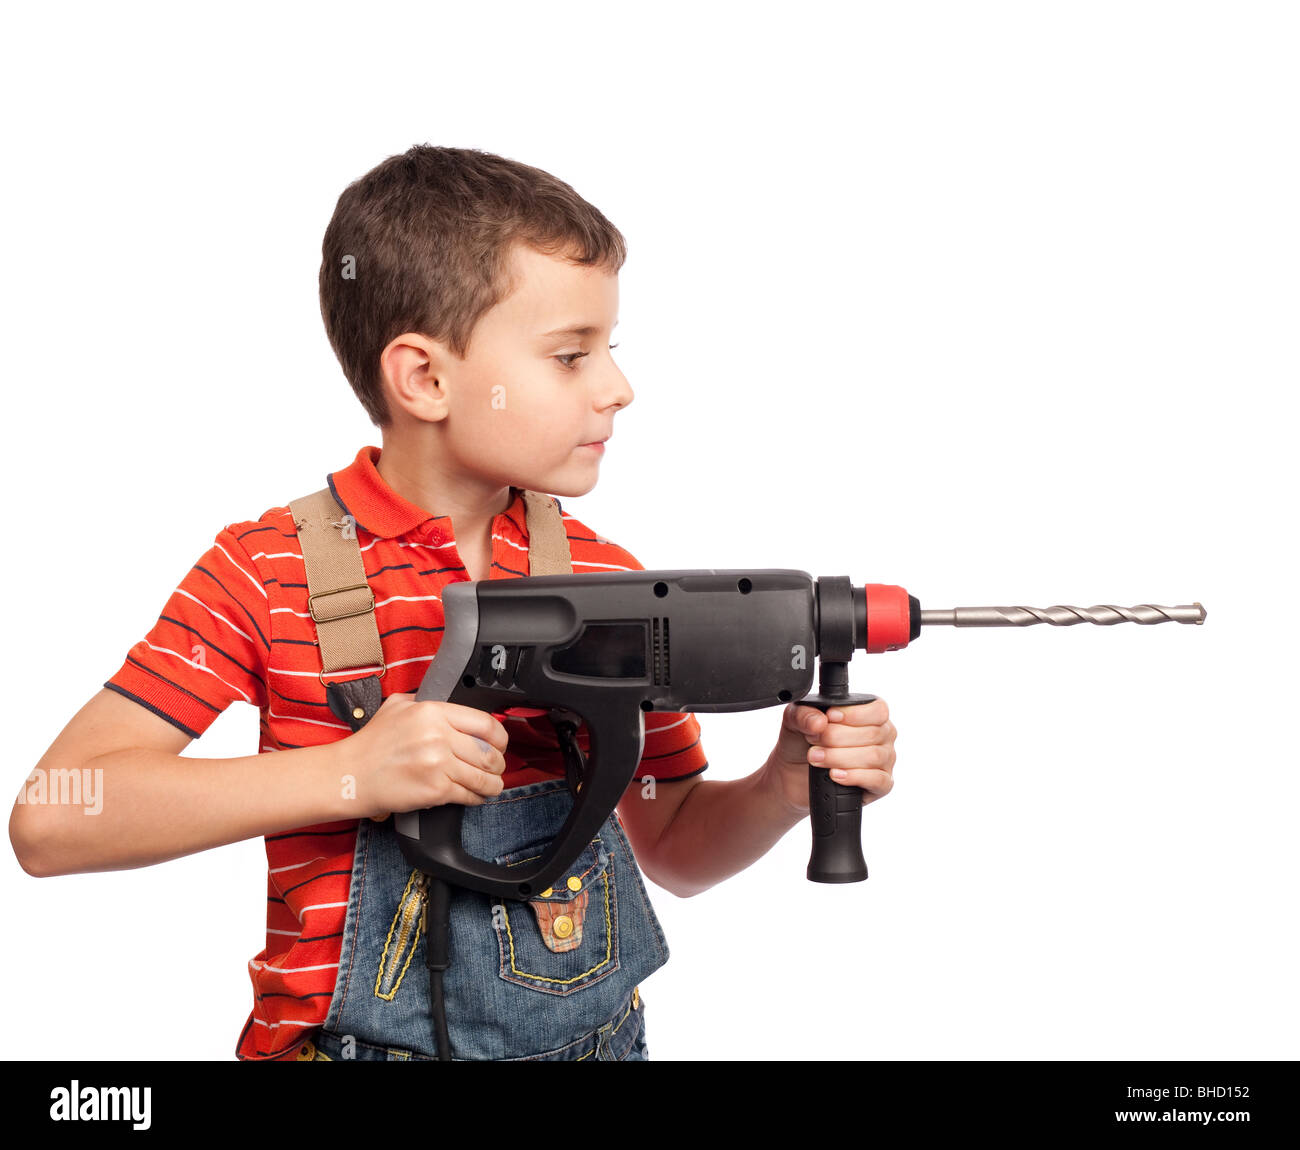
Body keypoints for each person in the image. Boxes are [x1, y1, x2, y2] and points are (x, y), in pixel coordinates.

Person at [8, 144, 898, 1061]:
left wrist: (780, 789)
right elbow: (54, 816)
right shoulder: (266, 572)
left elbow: (672, 845)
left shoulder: (607, 580)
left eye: (610, 350)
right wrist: (351, 773)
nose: (617, 389)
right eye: (570, 356)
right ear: (425, 378)